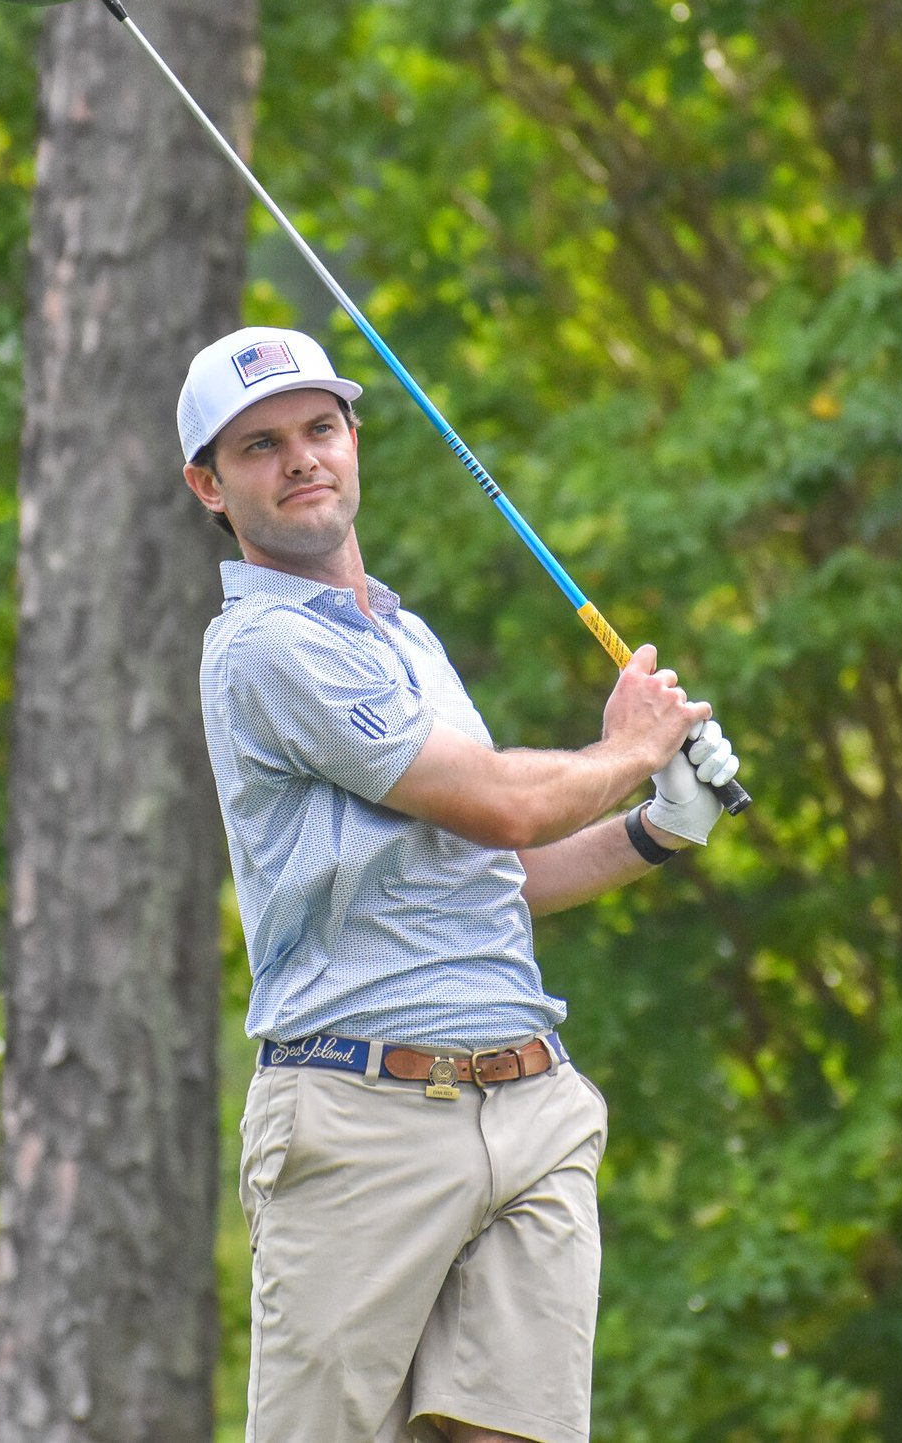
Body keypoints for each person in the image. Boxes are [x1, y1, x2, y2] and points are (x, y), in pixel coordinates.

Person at [180, 326, 739, 1443]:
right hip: (357, 1116)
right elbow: (499, 802)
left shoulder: (409, 639)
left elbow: (501, 870)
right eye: (258, 446)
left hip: (528, 1104)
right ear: (209, 484)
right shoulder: (261, 647)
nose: (299, 459)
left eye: (319, 429)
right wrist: (629, 745)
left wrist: (658, 826)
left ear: (351, 443)